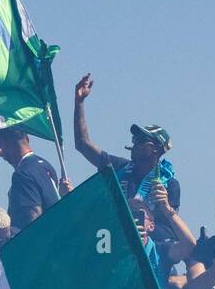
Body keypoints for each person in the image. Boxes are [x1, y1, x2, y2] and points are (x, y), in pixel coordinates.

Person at [73, 73, 180, 244]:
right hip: (111, 245)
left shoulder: (169, 185)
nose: (133, 144)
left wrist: (153, 219)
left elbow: (171, 232)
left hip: (147, 257)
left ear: (153, 149)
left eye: (139, 140)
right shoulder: (119, 167)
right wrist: (79, 102)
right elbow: (82, 144)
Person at [0, 126, 61, 230]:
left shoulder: (23, 174)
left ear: (5, 143)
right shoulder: (45, 165)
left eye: (1, 145)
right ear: (27, 138)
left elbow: (33, 217)